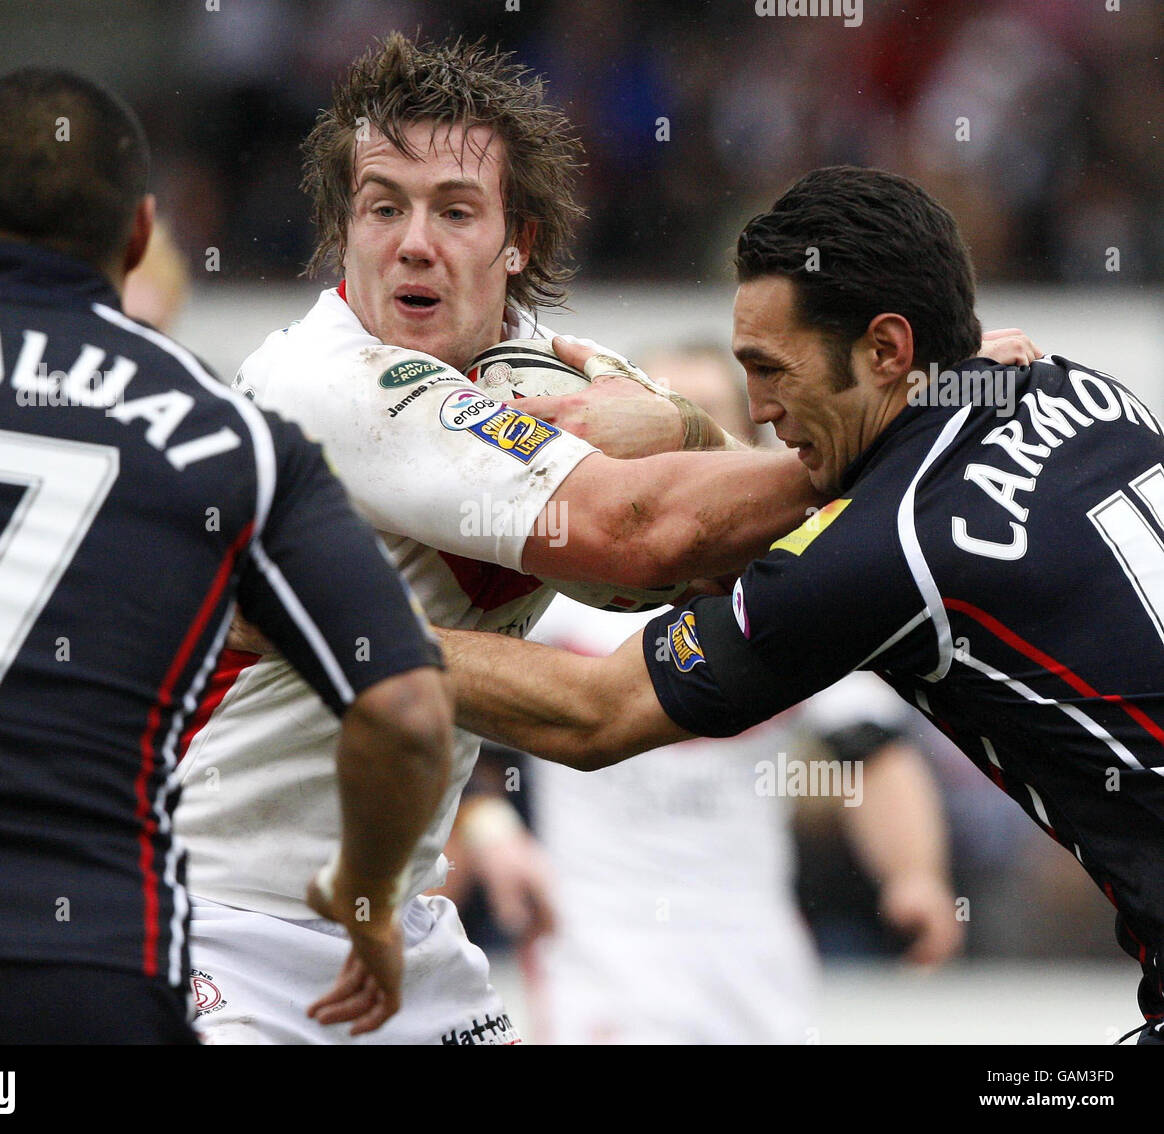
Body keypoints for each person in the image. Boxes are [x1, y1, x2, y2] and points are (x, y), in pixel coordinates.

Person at [175, 32, 828, 1046]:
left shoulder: (548, 368)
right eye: (382, 206)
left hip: (394, 927)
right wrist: (879, 453)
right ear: (341, 229)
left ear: (517, 240)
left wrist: (685, 430)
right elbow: (637, 534)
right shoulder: (328, 385)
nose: (413, 242)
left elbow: (705, 550)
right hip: (219, 923)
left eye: (454, 209)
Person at [436, 165, 1164, 1043]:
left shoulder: (880, 556)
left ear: (888, 348)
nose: (760, 408)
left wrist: (328, 622)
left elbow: (596, 716)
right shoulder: (1073, 385)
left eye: (769, 371)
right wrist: (687, 435)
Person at [0, 66, 451, 1044]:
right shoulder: (235, 437)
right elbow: (406, 714)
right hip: (104, 982)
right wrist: (364, 895)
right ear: (140, 232)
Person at [512, 345, 961, 1044]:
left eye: (705, 421)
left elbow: (868, 750)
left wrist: (915, 877)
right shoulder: (552, 592)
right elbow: (452, 738)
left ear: (748, 447)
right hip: (596, 951)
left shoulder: (793, 591)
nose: (679, 451)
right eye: (662, 422)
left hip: (752, 957)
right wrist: (484, 837)